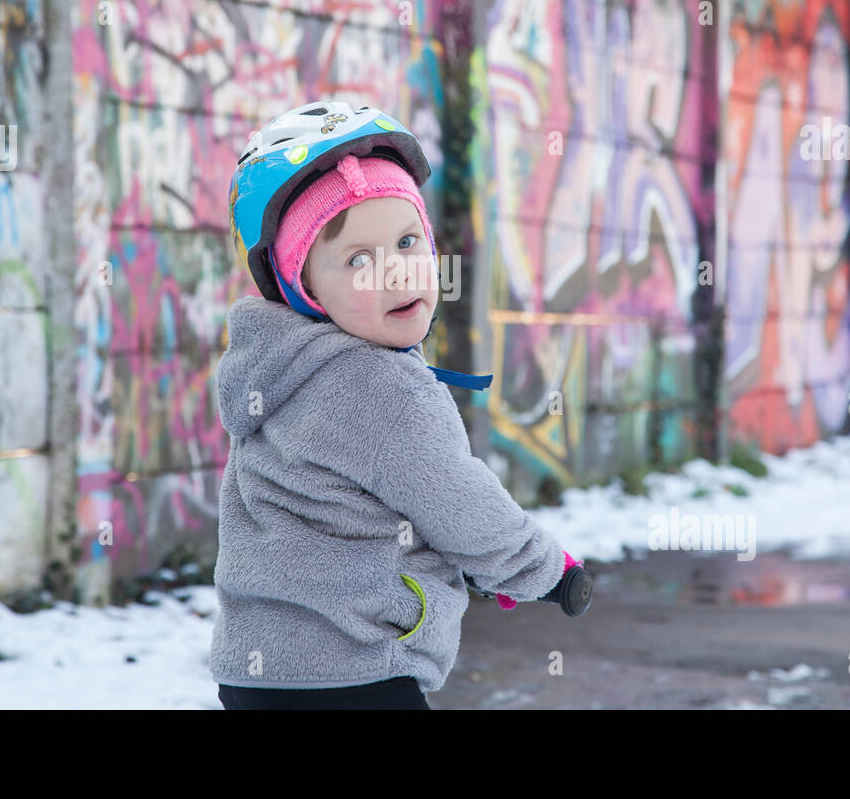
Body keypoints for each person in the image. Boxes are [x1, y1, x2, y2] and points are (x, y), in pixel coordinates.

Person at [212, 101, 585, 710]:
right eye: (358, 259)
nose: (395, 272)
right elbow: (460, 503)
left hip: (255, 675)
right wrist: (543, 570)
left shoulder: (280, 372)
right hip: (355, 672)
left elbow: (341, 514)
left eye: (408, 242)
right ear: (305, 290)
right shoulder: (377, 386)